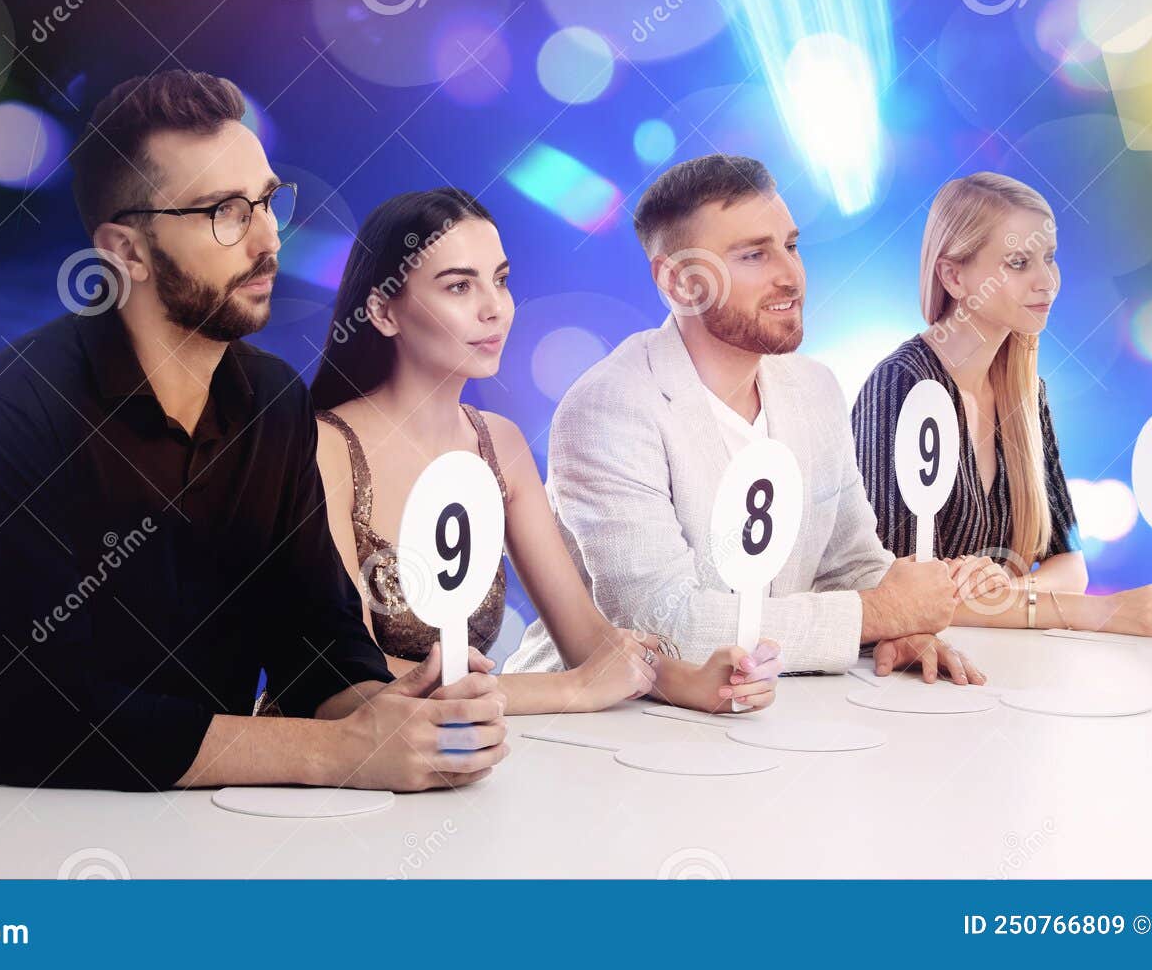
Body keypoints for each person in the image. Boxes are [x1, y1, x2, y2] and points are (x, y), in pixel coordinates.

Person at [0, 70, 507, 806]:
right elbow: (42, 714)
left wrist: (394, 712)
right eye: (225, 212)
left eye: (267, 201)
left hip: (172, 827)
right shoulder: (9, 417)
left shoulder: (272, 401)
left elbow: (316, 642)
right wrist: (342, 750)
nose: (268, 238)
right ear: (126, 252)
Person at [279, 186, 781, 715]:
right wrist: (569, 689)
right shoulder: (324, 449)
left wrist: (693, 682)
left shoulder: (500, 444)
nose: (494, 309)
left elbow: (584, 638)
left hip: (463, 753)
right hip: (333, 775)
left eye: (500, 281)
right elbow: (348, 676)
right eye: (458, 287)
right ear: (382, 312)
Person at [507, 154, 985, 685]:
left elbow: (848, 567)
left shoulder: (815, 388)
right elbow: (661, 627)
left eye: (791, 246)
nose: (791, 276)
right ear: (680, 280)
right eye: (755, 255)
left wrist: (904, 628)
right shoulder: (609, 409)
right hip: (607, 726)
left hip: (772, 713)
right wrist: (881, 615)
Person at [852, 172, 1152, 636]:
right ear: (952, 275)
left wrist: (1001, 594)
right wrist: (1098, 613)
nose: (1047, 282)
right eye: (1017, 262)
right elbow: (888, 594)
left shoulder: (1026, 392)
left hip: (1003, 672)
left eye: (1049, 259)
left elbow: (1071, 567)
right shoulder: (902, 386)